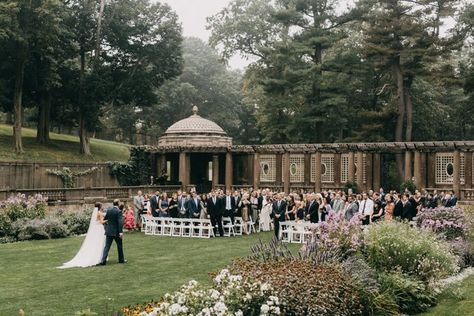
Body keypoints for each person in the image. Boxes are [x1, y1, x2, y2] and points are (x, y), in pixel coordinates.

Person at [58, 202, 106, 268]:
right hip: (99, 229)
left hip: (95, 229)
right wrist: (108, 220)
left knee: (94, 243)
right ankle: (98, 257)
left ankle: (96, 256)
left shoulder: (94, 213)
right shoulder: (99, 213)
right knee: (99, 243)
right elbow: (101, 222)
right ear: (100, 207)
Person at [100, 199, 125, 265]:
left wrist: (107, 226)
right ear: (118, 203)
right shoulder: (119, 211)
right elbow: (120, 222)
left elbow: (105, 219)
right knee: (119, 246)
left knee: (107, 247)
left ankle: (103, 261)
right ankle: (121, 260)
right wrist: (121, 232)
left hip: (109, 231)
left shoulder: (109, 210)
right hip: (116, 232)